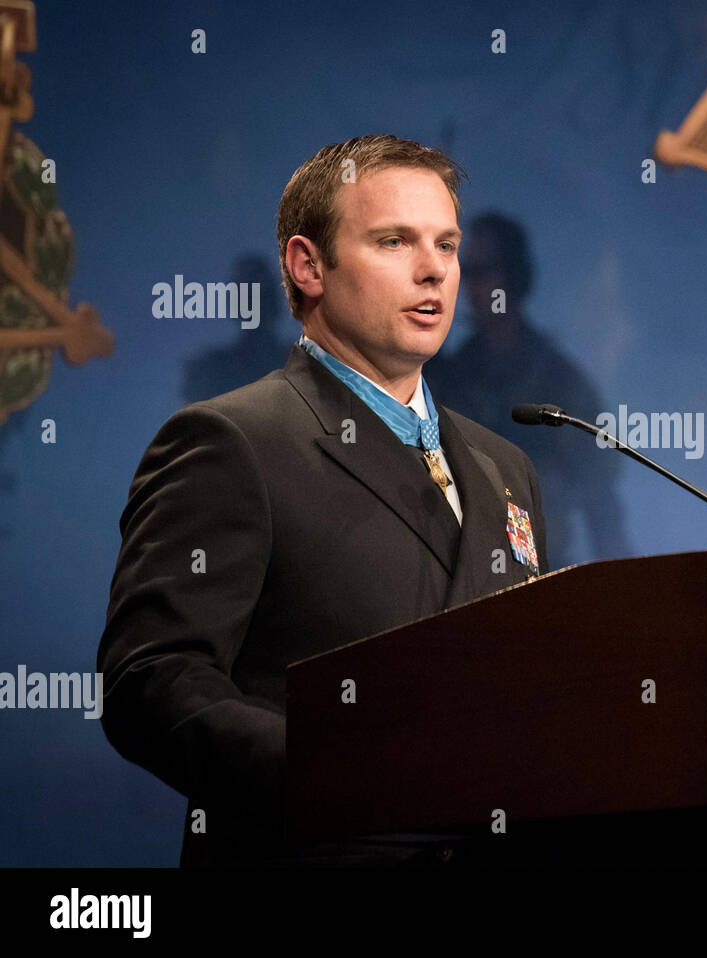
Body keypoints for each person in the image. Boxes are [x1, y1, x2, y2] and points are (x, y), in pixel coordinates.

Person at [98, 135, 548, 866]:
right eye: (394, 241)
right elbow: (152, 683)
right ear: (308, 266)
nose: (434, 268)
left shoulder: (507, 469)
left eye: (446, 244)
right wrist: (345, 775)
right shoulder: (232, 442)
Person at [438, 212, 629, 567]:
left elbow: (601, 500)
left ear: (514, 276)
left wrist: (619, 588)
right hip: (462, 573)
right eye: (468, 272)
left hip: (541, 577)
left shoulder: (560, 384)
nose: (471, 285)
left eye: (484, 271)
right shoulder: (447, 379)